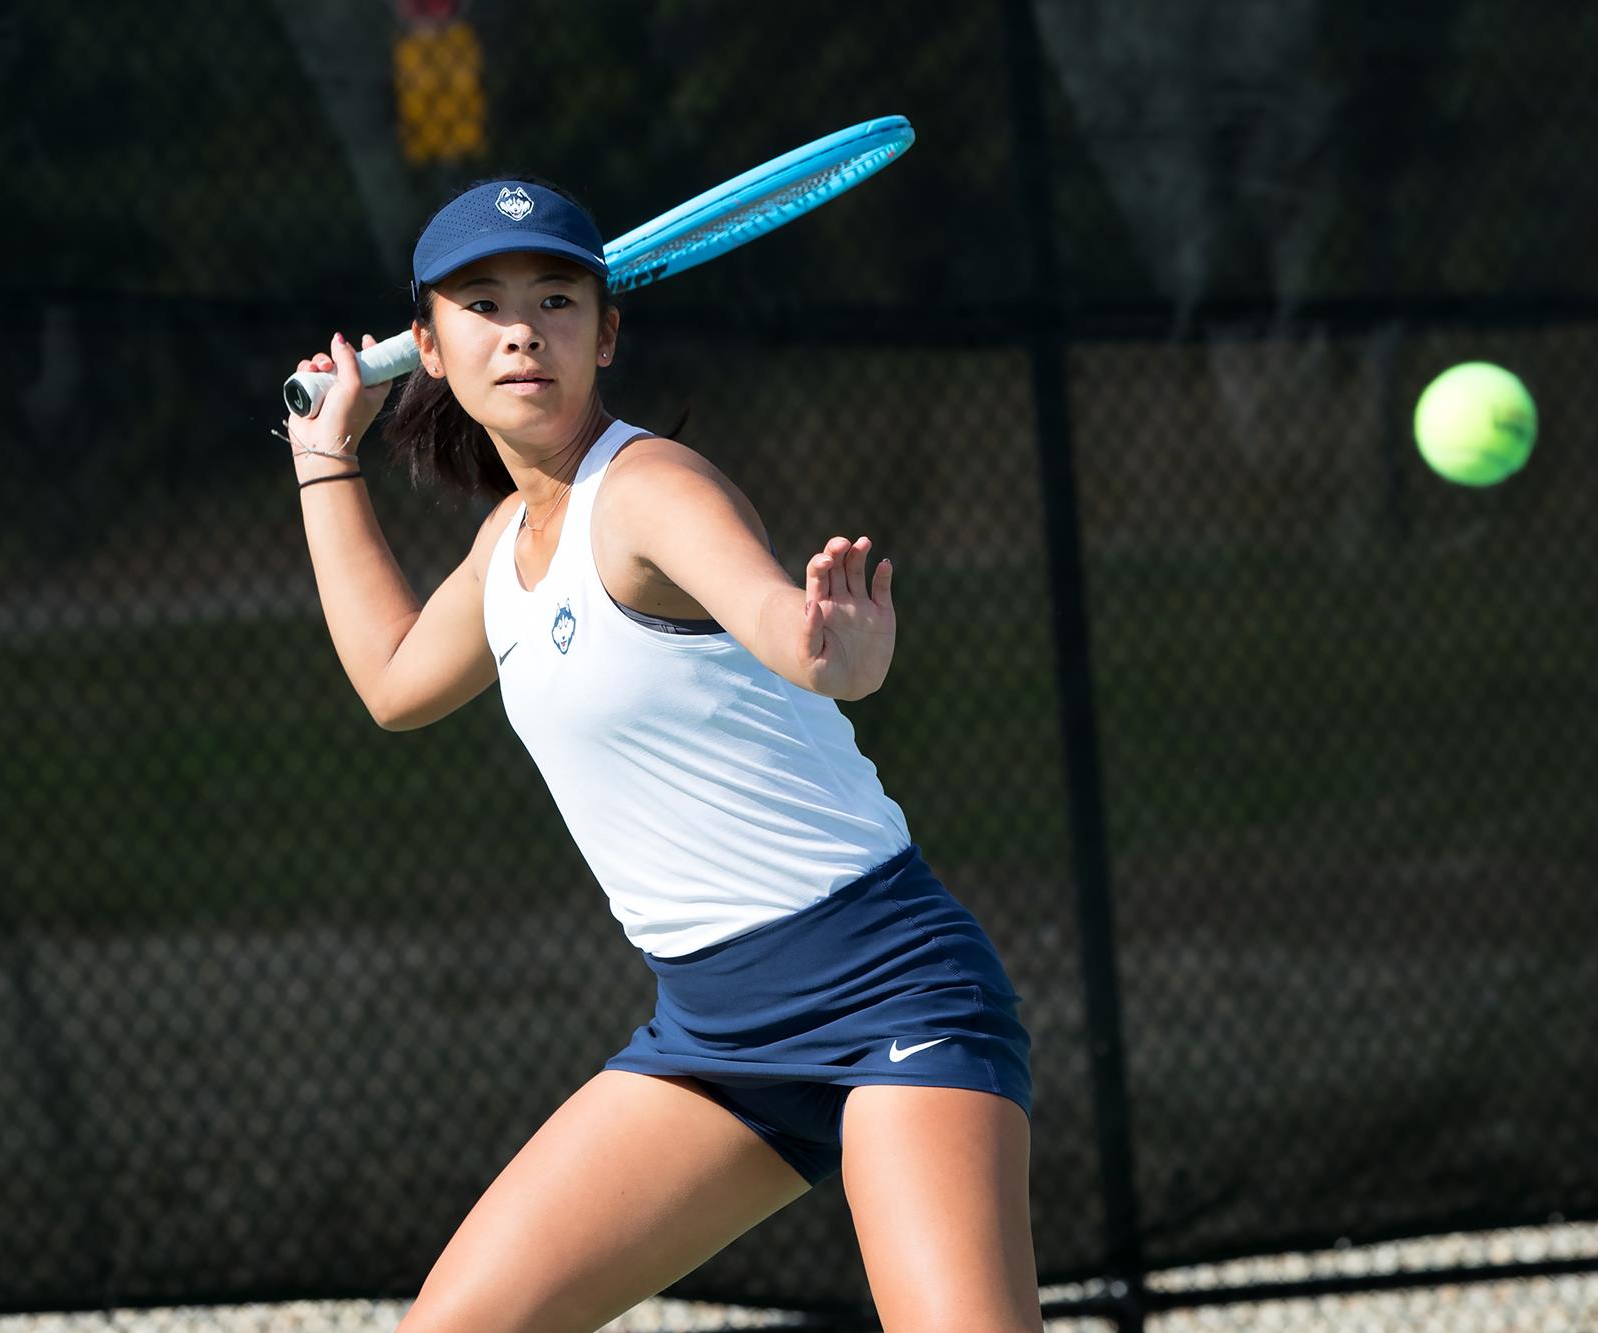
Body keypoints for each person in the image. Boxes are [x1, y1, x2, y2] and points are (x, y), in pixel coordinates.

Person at [283, 177, 1038, 1333]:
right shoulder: (504, 549)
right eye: (482, 304)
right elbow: (392, 682)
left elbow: (793, 632)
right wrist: (320, 455)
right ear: (427, 348)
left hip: (889, 987)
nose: (523, 327)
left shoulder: (648, 489)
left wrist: (842, 656)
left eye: (555, 299)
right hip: (713, 1034)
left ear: (606, 332)